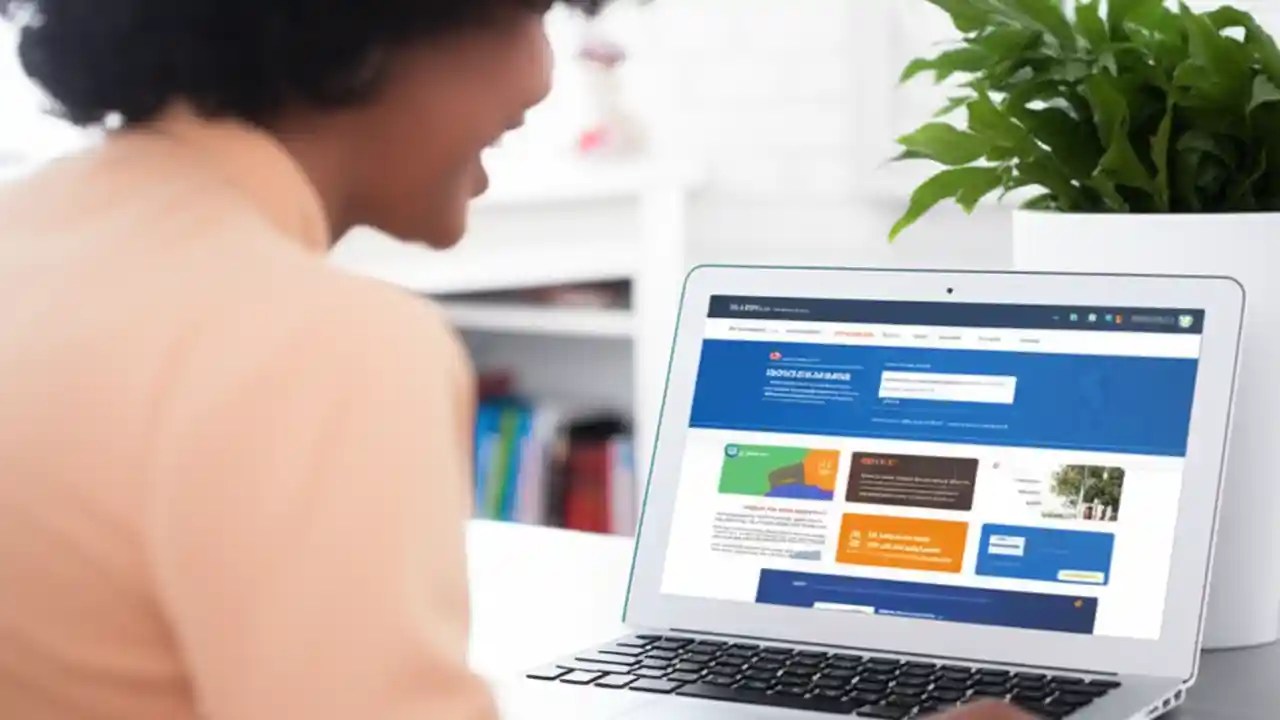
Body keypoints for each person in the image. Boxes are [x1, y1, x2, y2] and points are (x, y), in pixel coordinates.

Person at [0, 1, 1033, 718]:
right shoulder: (317, 342)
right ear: (373, 28)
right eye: (526, 9)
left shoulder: (29, 233)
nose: (540, 80)